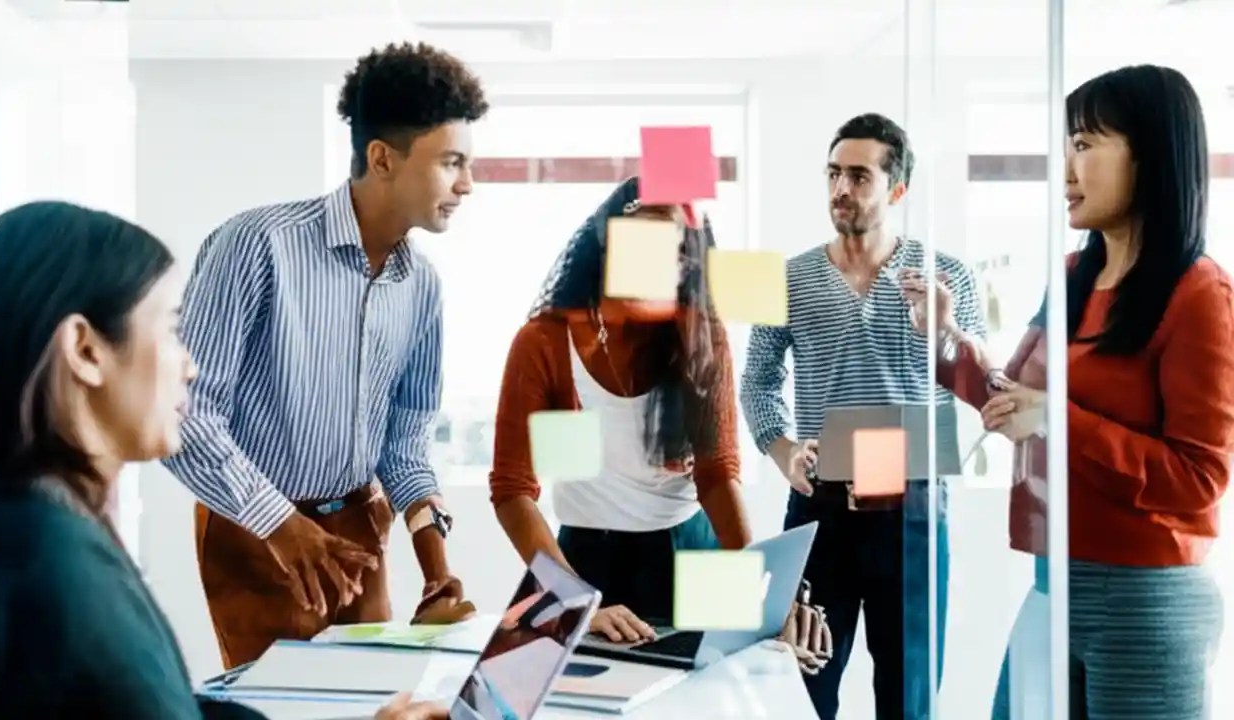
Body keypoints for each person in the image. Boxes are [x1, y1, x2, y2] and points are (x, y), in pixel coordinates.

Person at [0, 202, 448, 719]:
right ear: (84, 350)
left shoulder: (20, 526)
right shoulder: (51, 561)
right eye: (171, 331)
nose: (189, 367)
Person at [162, 41, 488, 669]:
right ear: (382, 159)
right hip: (255, 531)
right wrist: (282, 526)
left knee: (376, 701)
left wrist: (436, 570)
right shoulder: (256, 246)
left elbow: (403, 441)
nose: (467, 185)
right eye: (452, 163)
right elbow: (186, 414)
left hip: (361, 531)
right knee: (278, 709)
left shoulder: (422, 286)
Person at [942, 65, 1232, 720]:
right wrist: (942, 336)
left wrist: (1056, 420)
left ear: (1149, 154)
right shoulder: (1071, 275)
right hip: (1052, 588)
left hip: (1146, 603)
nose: (1065, 167)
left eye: (1084, 144)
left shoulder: (1199, 294)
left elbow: (1199, 478)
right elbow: (1010, 395)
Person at [489, 177, 829, 671]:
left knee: (716, 696)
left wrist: (765, 592)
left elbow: (717, 474)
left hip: (691, 545)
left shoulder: (700, 337)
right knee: (538, 691)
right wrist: (572, 601)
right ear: (606, 243)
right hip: (582, 557)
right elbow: (512, 488)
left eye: (674, 255)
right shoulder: (543, 341)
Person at [740, 113, 988, 720]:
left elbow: (985, 388)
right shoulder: (791, 276)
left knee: (909, 695)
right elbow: (757, 381)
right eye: (832, 174)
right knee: (802, 686)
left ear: (896, 190)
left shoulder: (945, 275)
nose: (840, 189)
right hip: (821, 509)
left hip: (912, 512)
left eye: (858, 176)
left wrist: (945, 328)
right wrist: (783, 450)